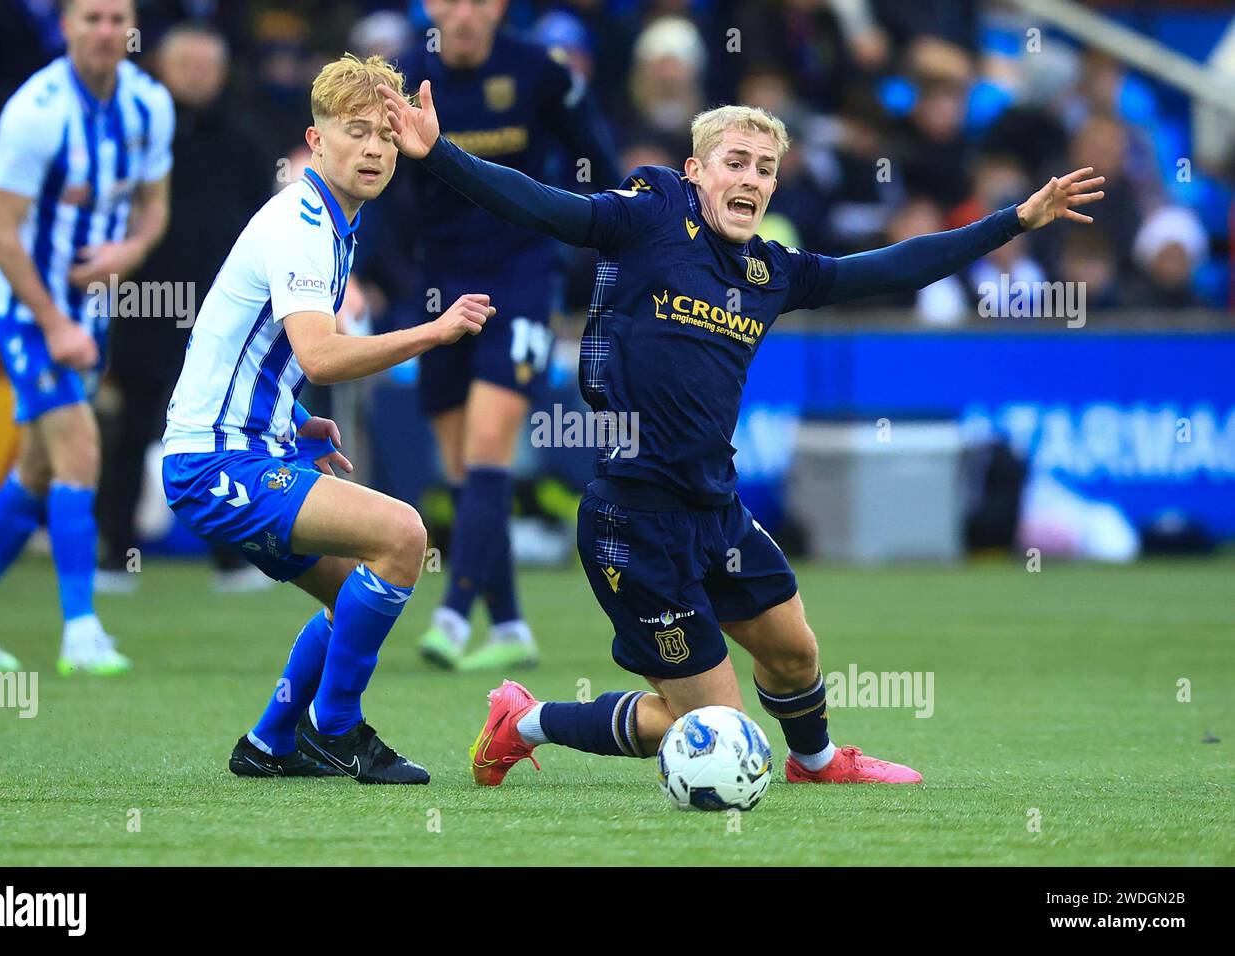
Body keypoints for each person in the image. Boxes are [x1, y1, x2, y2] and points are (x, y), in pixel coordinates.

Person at [378, 79, 1104, 785]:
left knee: (794, 653)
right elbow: (542, 206)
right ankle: (527, 720)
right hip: (634, 522)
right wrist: (440, 154)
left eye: (764, 168)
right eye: (735, 162)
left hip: (715, 508)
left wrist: (1013, 221)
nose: (751, 178)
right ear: (696, 171)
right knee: (718, 731)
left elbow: (893, 270)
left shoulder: (771, 270)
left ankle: (816, 763)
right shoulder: (649, 217)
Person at [161, 54, 495, 782]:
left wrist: (291, 417)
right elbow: (318, 354)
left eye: (385, 134)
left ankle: (269, 742)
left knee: (356, 597)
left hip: (242, 447)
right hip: (215, 464)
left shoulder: (334, 221)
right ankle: (336, 728)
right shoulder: (302, 222)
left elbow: (248, 347)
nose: (373, 149)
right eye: (355, 131)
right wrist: (433, 332)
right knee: (404, 535)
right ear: (317, 141)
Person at [0, 0, 173, 675]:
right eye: (90, 18)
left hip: (88, 312)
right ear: (65, 27)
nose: (105, 30)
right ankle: (81, 631)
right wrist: (55, 322)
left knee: (40, 466)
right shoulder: (34, 112)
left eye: (116, 18)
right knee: (80, 448)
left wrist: (132, 251)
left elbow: (155, 204)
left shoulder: (149, 104)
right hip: (26, 307)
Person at [397, 0, 619, 673]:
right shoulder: (404, 76)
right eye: (452, 1)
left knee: (489, 441)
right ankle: (512, 627)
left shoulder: (539, 70)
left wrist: (585, 249)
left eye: (479, 1)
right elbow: (377, 181)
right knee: (459, 465)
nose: (464, 14)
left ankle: (451, 615)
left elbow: (596, 162)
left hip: (520, 278)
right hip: (438, 281)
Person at [94, 22, 276, 595]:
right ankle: (115, 555)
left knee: (224, 434)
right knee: (132, 429)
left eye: (208, 67)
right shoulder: (136, 132)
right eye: (187, 66)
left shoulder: (245, 139)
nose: (198, 77)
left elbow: (268, 223)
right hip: (145, 304)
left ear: (222, 73)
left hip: (220, 312)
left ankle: (233, 560)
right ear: (162, 69)